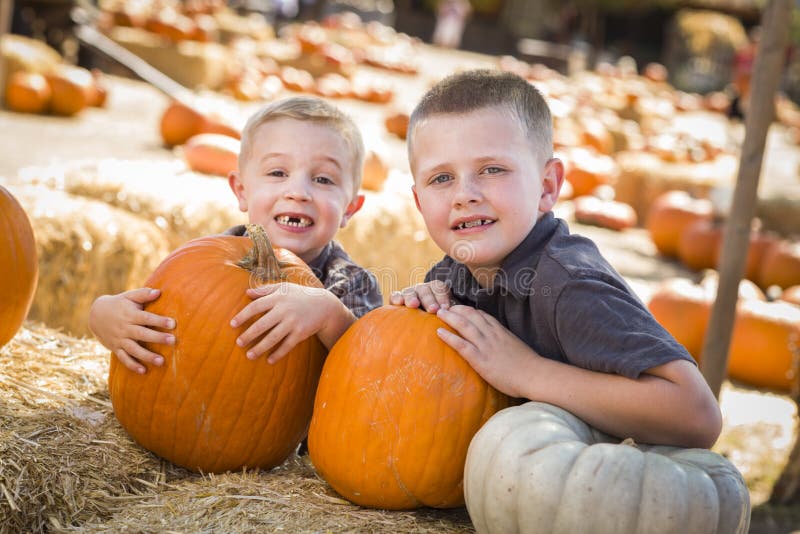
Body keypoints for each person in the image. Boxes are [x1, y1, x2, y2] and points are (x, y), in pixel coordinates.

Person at [389, 70, 722, 449]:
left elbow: (698, 416)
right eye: (441, 179)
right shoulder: (454, 274)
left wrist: (528, 372)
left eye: (492, 169)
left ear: (547, 187)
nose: (464, 194)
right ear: (419, 203)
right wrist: (414, 319)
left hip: (600, 489)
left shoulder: (569, 285)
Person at [89, 96, 382, 375]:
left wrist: (331, 316)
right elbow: (154, 313)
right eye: (278, 173)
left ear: (350, 209)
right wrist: (103, 314)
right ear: (241, 191)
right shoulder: (206, 259)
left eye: (322, 179)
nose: (298, 193)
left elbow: (375, 366)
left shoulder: (352, 285)